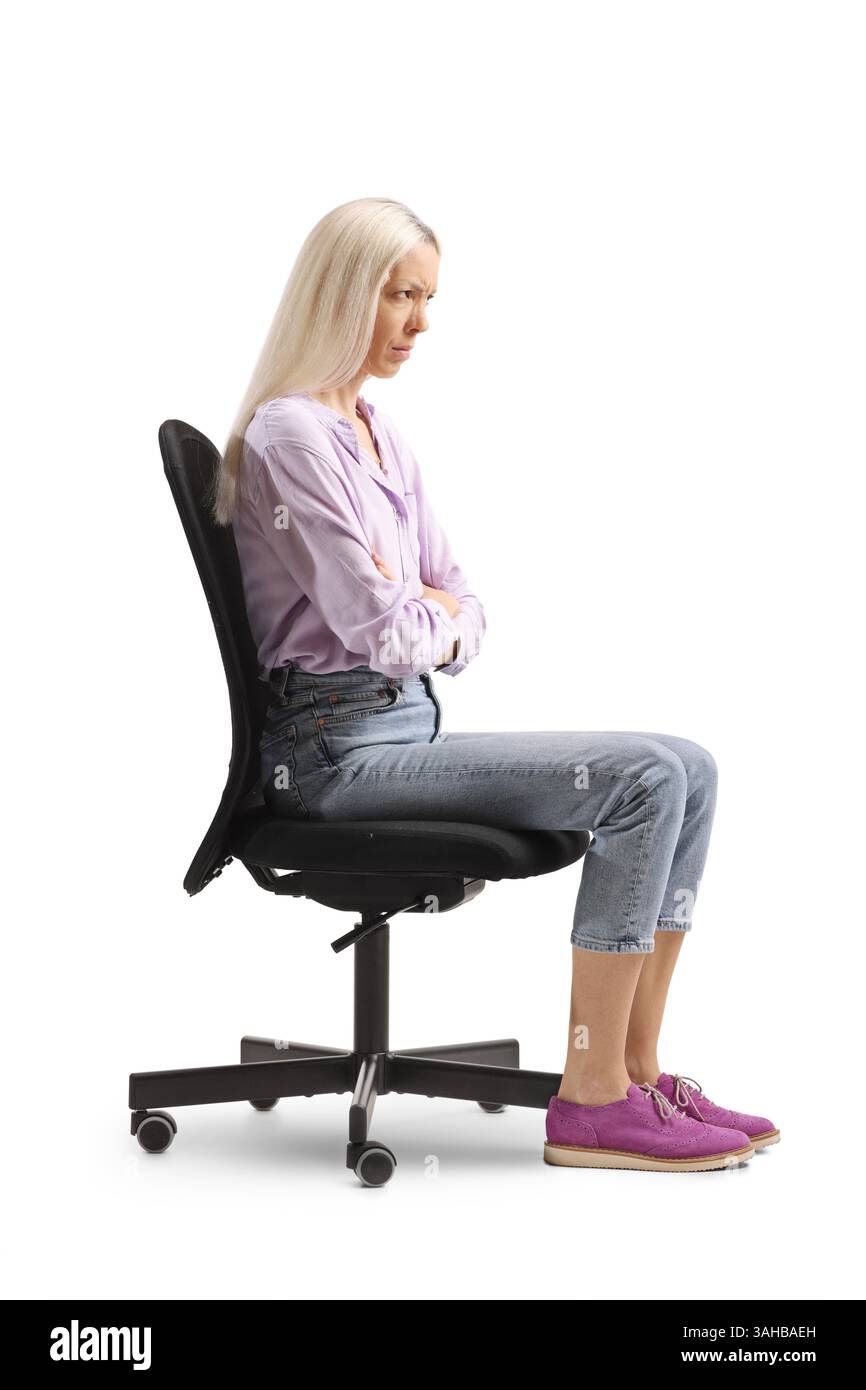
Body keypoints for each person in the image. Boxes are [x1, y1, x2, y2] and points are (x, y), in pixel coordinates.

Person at [214, 197, 779, 1173]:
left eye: (425, 297)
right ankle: (590, 1094)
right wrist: (422, 614)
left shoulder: (380, 435)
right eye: (399, 295)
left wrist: (430, 615)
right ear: (341, 293)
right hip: (330, 759)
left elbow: (461, 604)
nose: (419, 322)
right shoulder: (291, 436)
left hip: (405, 728)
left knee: (690, 763)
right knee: (644, 775)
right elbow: (377, 628)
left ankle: (636, 1071)